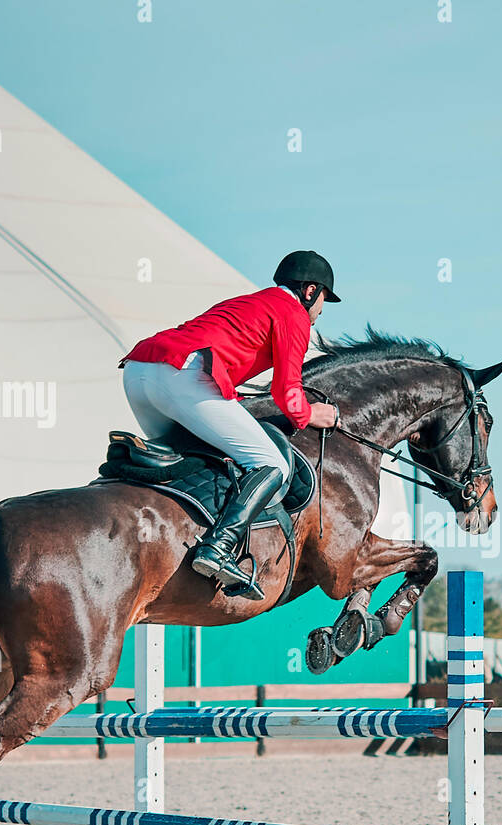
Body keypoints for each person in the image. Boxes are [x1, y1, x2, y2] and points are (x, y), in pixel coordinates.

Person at [119, 251, 341, 598]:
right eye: (323, 302)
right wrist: (311, 414)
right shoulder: (293, 313)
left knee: (183, 460)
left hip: (139, 368)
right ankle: (217, 548)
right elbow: (286, 391)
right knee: (273, 464)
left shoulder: (251, 302)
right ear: (310, 291)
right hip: (183, 374)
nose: (319, 315)